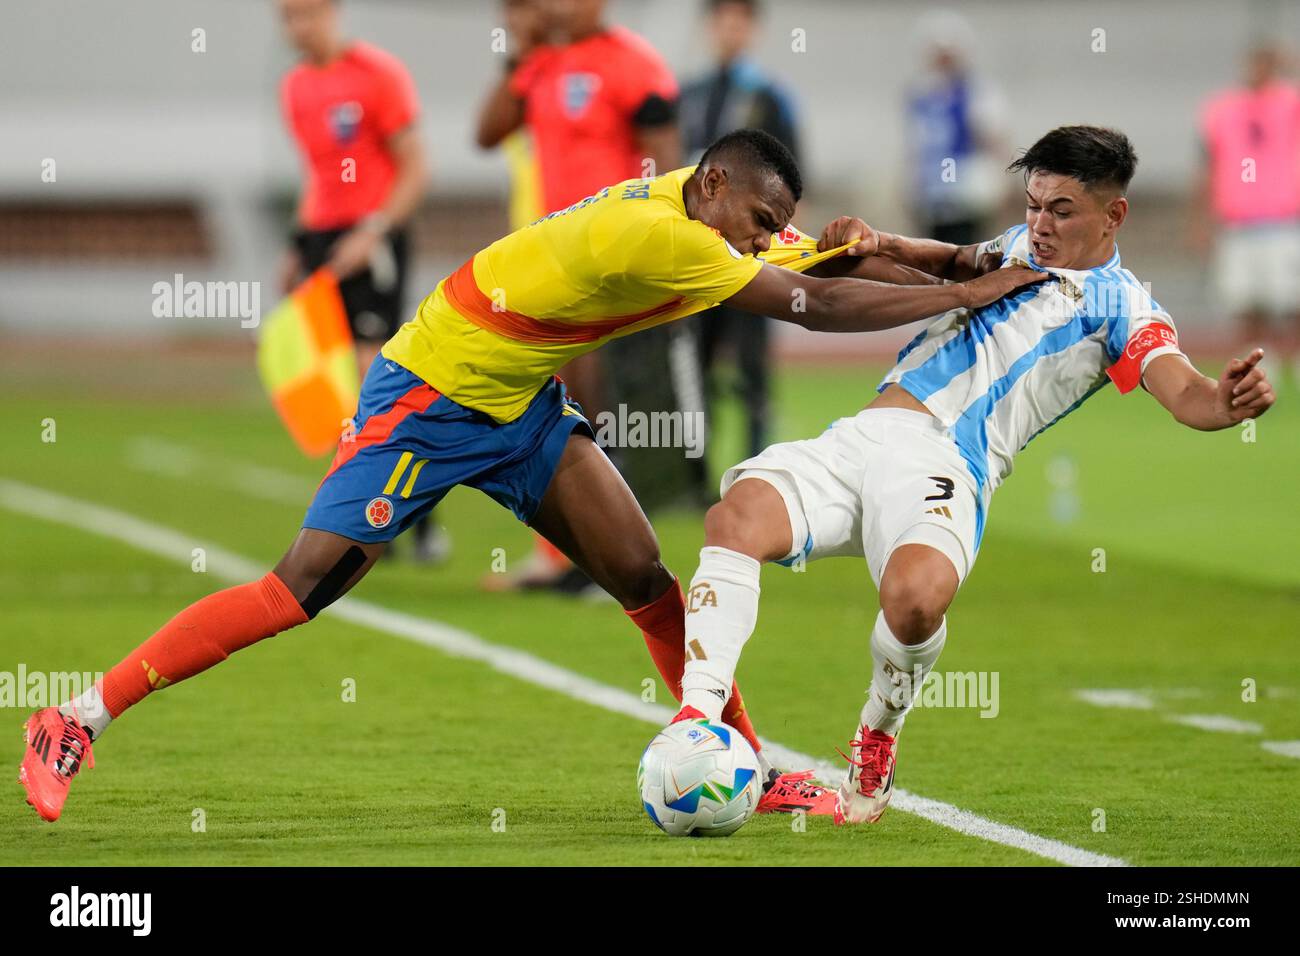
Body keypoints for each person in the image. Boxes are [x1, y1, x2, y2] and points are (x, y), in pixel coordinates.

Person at [19, 129, 1046, 823]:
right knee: (298, 590)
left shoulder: (703, 210)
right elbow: (814, 303)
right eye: (753, 220)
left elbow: (821, 258)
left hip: (518, 404)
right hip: (429, 397)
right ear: (714, 187)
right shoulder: (668, 234)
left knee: (643, 572)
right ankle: (78, 713)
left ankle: (743, 760)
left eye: (767, 223)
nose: (758, 237)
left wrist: (952, 262)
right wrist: (967, 293)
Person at [670, 126, 1276, 825]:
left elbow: (1184, 391)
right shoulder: (1019, 249)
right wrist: (884, 243)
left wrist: (1226, 403)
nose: (1040, 225)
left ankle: (876, 734)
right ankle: (695, 719)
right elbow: (958, 260)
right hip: (867, 432)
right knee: (735, 519)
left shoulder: (1126, 308)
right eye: (1032, 205)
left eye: (1062, 210)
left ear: (1115, 216)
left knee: (916, 601)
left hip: (949, 464)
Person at [476, 0, 687, 591]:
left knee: (594, 400)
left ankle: (608, 557)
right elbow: (487, 133)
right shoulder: (540, 63)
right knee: (562, 401)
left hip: (612, 255)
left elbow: (666, 166)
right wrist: (516, 57)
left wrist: (659, 249)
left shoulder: (633, 64)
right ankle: (578, 557)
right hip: (552, 257)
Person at [275, 0, 446, 562]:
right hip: (322, 240)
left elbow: (416, 167)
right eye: (287, 16)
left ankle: (418, 518)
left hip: (373, 239)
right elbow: (317, 177)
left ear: (331, 11)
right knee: (338, 386)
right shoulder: (296, 87)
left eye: (304, 14)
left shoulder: (378, 74)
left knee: (380, 375)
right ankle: (367, 515)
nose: (296, 27)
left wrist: (371, 233)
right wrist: (296, 247)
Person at [679, 0, 802, 476]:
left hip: (751, 256)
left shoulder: (770, 99)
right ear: (711, 26)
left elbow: (794, 180)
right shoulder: (688, 95)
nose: (730, 28)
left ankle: (754, 469)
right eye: (722, 19)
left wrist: (780, 254)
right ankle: (695, 474)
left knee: (752, 370)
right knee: (695, 368)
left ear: (752, 28)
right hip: (695, 257)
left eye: (740, 19)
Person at [1193, 44, 1300, 357]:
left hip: (1283, 221)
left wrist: (1291, 69)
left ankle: (1293, 361)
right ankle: (1260, 364)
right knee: (1245, 303)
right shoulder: (1223, 109)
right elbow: (1208, 165)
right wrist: (1200, 221)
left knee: (1291, 301)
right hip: (1237, 223)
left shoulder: (1290, 102)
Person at [904, 9, 1007, 246]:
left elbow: (992, 139)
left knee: (968, 254)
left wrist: (1001, 183)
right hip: (932, 195)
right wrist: (911, 187)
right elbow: (916, 147)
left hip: (967, 193)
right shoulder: (921, 94)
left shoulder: (977, 91)